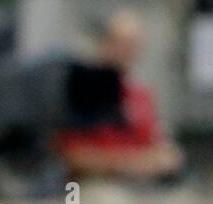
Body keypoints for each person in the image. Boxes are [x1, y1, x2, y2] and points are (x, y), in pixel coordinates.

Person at [54, 10, 183, 184]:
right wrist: (133, 164)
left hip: (143, 187)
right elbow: (74, 157)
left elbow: (166, 155)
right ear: (104, 42)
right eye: (121, 43)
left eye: (134, 44)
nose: (128, 51)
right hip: (95, 186)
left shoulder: (140, 94)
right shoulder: (80, 88)